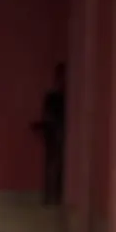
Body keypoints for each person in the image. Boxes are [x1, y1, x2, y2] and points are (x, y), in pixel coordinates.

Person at [33, 63, 67, 206]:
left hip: (57, 132)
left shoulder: (59, 96)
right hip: (55, 132)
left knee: (56, 165)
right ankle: (52, 196)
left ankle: (54, 196)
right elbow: (48, 115)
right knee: (54, 164)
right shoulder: (54, 97)